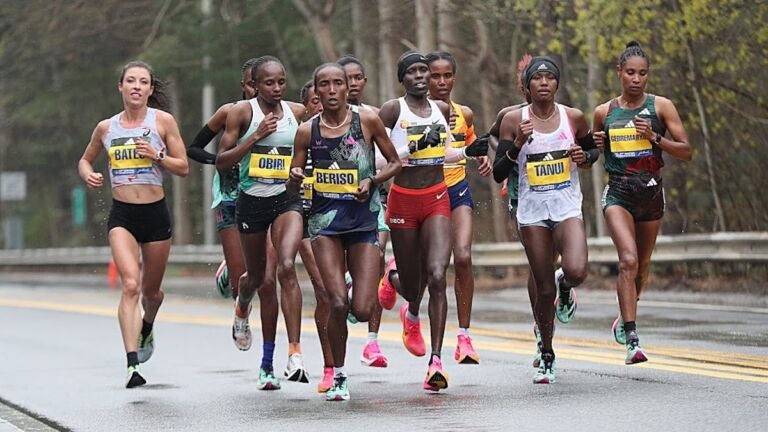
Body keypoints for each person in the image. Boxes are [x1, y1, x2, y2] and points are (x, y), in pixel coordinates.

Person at [290, 63, 401, 401]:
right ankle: (339, 375)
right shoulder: (307, 132)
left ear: (347, 87)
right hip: (324, 226)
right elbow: (295, 174)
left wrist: (373, 180)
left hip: (364, 222)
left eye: (338, 83)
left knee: (363, 309)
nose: (333, 90)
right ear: (317, 91)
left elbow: (395, 162)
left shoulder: (366, 121)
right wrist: (295, 177)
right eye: (325, 84)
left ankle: (365, 288)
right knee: (337, 302)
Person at [378, 52, 487, 392]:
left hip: (438, 197)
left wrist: (470, 151)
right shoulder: (392, 110)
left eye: (423, 70)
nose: (421, 76)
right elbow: (381, 160)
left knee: (439, 274)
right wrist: (413, 147)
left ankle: (435, 364)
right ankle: (393, 279)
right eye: (412, 71)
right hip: (403, 201)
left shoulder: (442, 111)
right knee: (413, 287)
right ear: (402, 79)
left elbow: (446, 153)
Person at [78, 61, 189, 388]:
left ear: (150, 90)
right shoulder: (106, 128)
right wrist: (89, 174)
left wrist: (157, 156)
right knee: (129, 285)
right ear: (121, 87)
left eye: (143, 82)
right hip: (122, 216)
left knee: (151, 292)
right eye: (131, 81)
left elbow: (182, 167)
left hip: (155, 214)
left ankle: (148, 325)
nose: (137, 86)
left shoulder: (162, 122)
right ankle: (132, 366)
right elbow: (86, 159)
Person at [497, 56, 598, 383]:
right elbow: (498, 170)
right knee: (541, 289)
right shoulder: (514, 120)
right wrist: (516, 145)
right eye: (537, 78)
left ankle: (564, 285)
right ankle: (547, 352)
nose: (543, 82)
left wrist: (585, 158)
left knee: (577, 270)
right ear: (527, 86)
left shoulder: (574, 117)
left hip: (567, 207)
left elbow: (591, 152)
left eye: (549, 77)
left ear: (557, 83)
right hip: (532, 212)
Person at [593, 41, 691, 364]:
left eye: (643, 73)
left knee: (642, 267)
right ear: (619, 73)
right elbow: (591, 154)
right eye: (630, 72)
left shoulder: (661, 107)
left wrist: (655, 138)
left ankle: (625, 316)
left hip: (651, 195)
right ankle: (632, 338)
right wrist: (592, 147)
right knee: (628, 260)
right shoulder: (604, 112)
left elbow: (686, 151)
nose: (636, 79)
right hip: (619, 194)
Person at [215, 55, 309, 390]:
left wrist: (300, 169)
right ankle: (243, 309)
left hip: (286, 200)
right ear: (255, 84)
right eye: (269, 82)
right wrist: (254, 138)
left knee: (285, 266)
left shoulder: (297, 114)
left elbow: (313, 147)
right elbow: (221, 163)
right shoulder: (242, 113)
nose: (276, 88)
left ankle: (291, 356)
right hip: (251, 203)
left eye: (281, 82)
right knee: (258, 278)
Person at [426, 50, 492, 365]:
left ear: (454, 77)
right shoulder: (414, 113)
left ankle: (464, 337)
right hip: (424, 193)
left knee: (463, 256)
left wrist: (479, 153)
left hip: (456, 189)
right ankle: (411, 309)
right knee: (430, 271)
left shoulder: (464, 112)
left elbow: (471, 137)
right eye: (434, 76)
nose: (441, 82)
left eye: (447, 75)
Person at [187, 58, 257, 300]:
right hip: (230, 198)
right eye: (251, 84)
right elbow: (193, 148)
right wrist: (221, 161)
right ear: (243, 86)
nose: (257, 89)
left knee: (266, 274)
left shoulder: (287, 115)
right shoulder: (228, 113)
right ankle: (231, 267)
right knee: (242, 286)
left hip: (268, 198)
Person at [337, 54, 390, 368]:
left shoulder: (373, 116)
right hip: (333, 209)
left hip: (372, 202)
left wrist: (373, 178)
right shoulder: (321, 120)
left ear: (364, 82)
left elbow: (394, 158)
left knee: (377, 259)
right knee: (340, 289)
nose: (353, 83)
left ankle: (371, 343)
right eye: (347, 78)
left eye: (358, 78)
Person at [298, 80, 337, 393]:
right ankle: (329, 367)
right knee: (324, 292)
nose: (320, 105)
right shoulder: (300, 136)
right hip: (305, 222)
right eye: (313, 101)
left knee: (344, 300)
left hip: (342, 222)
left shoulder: (344, 133)